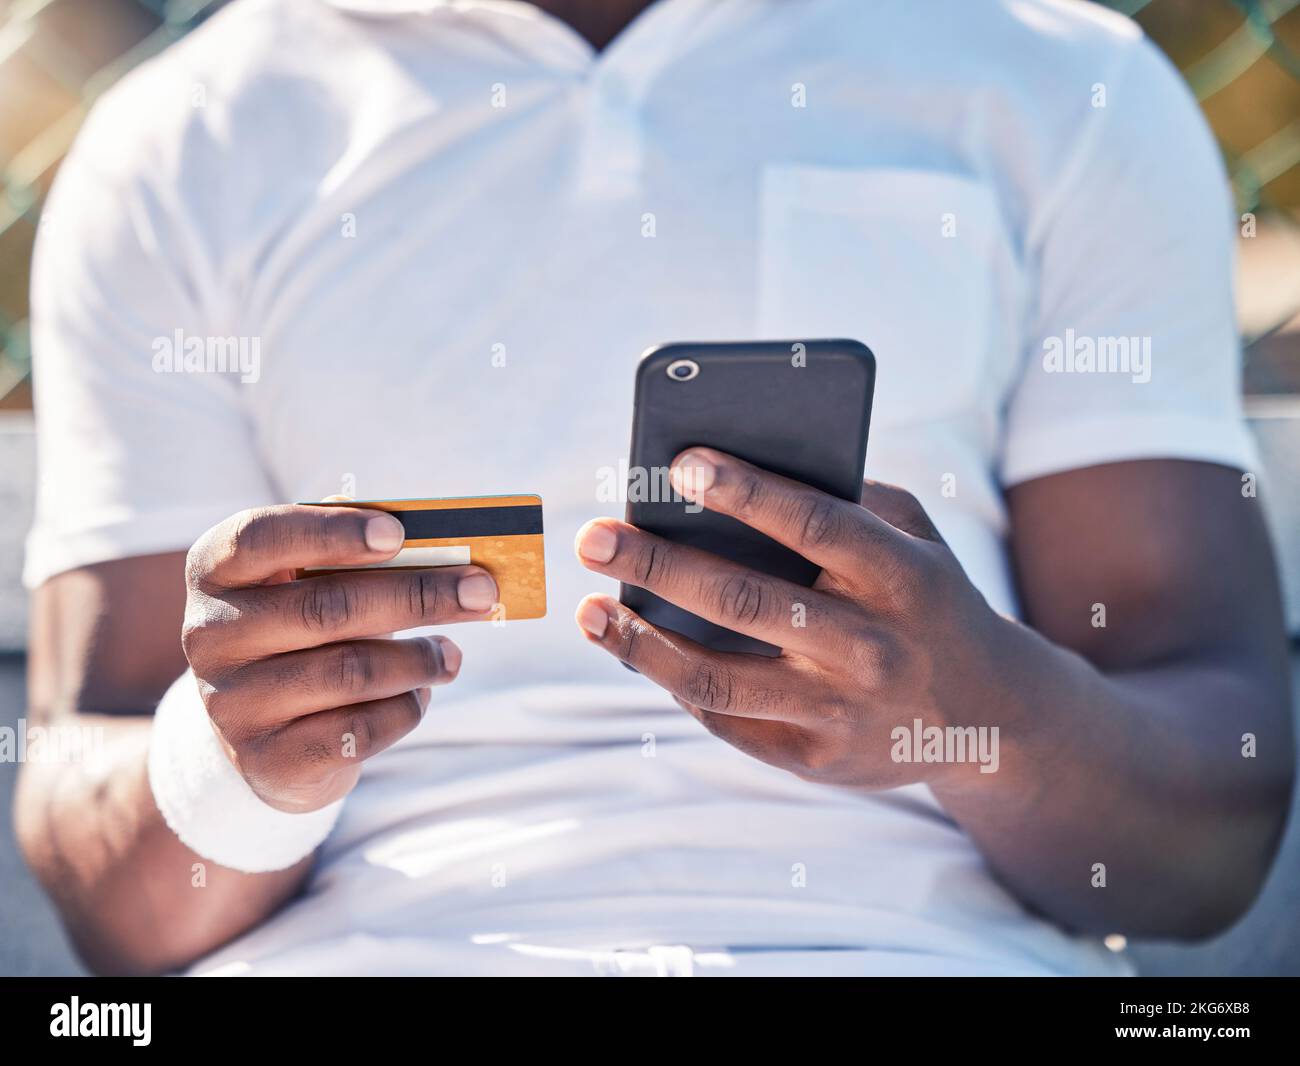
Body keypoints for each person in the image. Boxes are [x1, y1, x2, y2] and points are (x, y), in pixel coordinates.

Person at [14, 0, 1293, 976]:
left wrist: (973, 715)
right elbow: (106, 883)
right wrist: (229, 763)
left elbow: (1211, 836)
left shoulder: (1065, 82)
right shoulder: (183, 144)